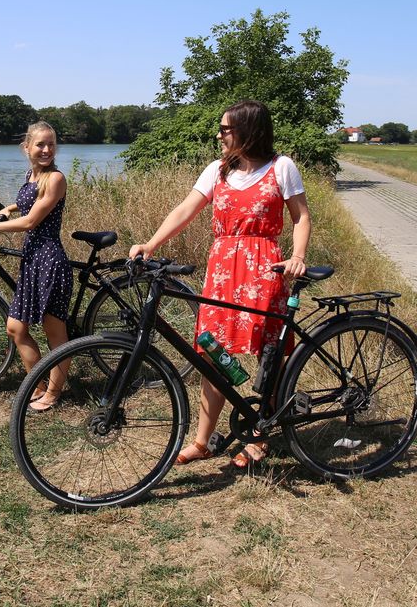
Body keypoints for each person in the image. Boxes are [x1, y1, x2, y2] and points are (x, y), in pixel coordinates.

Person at [129, 99, 311, 468]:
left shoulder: (282, 168)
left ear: (248, 131)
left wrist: (298, 256)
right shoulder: (217, 170)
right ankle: (203, 440)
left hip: (265, 269)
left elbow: (301, 217)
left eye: (226, 129)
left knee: (268, 355)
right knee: (212, 354)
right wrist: (151, 243)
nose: (219, 135)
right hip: (223, 270)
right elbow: (185, 209)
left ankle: (260, 435)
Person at [0, 121, 73, 412]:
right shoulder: (32, 176)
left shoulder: (55, 179)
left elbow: (32, 221)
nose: (46, 150)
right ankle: (40, 384)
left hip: (49, 261)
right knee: (15, 328)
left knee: (54, 332)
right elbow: (29, 205)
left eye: (51, 144)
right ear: (27, 148)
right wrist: (10, 207)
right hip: (32, 261)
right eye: (40, 144)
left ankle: (54, 393)